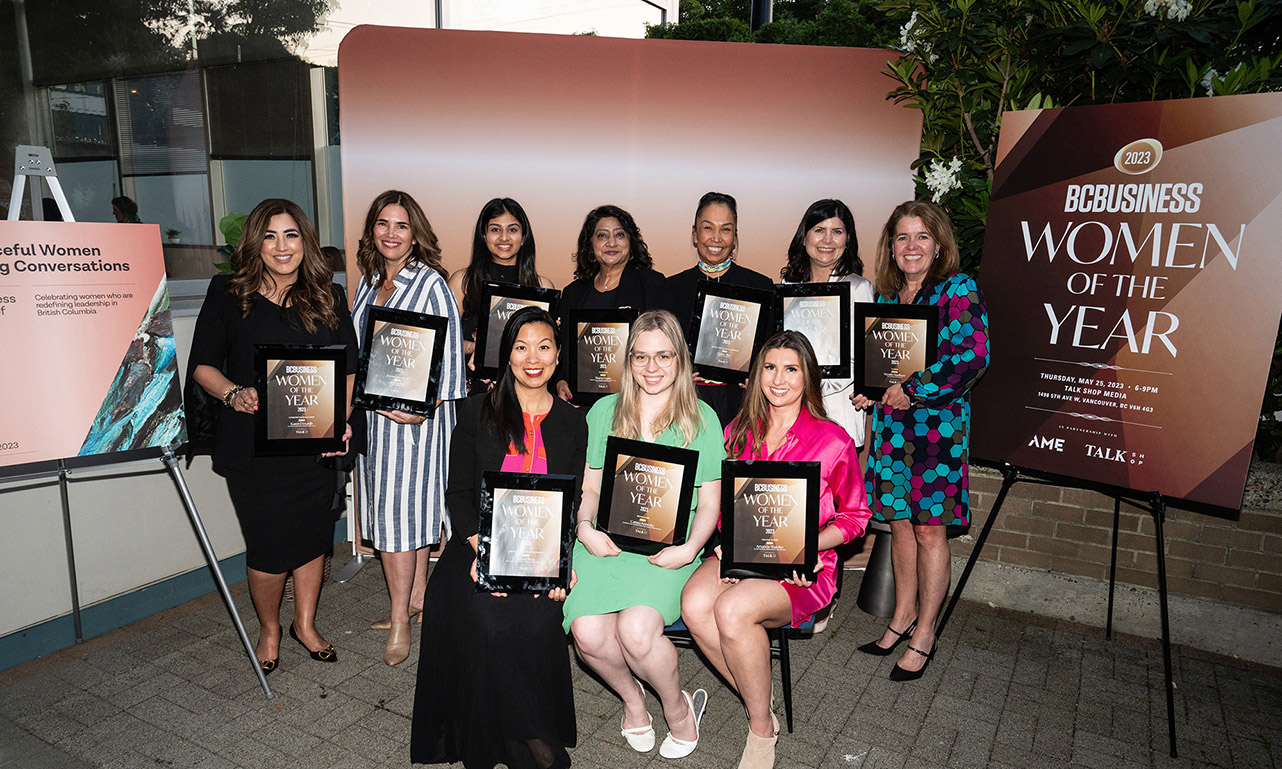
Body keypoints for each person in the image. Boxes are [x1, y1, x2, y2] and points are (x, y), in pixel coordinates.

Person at [680, 331, 871, 769]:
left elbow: (855, 518)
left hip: (805, 566)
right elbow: (728, 507)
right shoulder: (737, 433)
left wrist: (802, 548)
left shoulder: (832, 439)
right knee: (693, 604)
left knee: (731, 611)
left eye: (791, 369)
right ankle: (759, 695)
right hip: (742, 552)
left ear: (808, 377)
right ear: (756, 374)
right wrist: (732, 552)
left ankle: (761, 728)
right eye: (769, 368)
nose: (778, 379)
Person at [411, 307, 586, 769]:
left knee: (528, 619)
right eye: (521, 347)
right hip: (474, 546)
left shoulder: (572, 423)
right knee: (488, 614)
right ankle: (535, 747)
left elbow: (571, 504)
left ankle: (517, 739)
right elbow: (459, 493)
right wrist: (480, 551)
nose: (533, 358)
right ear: (506, 356)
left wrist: (560, 564)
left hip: (540, 556)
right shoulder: (476, 411)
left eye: (544, 346)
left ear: (558, 354)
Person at [189, 198, 356, 674]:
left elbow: (346, 371)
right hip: (254, 449)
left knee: (311, 537)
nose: (282, 247)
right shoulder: (227, 292)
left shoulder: (328, 295)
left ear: (305, 241)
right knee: (267, 546)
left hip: (313, 444)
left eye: (291, 236)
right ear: (255, 243)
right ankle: (269, 628)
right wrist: (233, 394)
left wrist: (341, 421)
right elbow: (202, 364)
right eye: (270, 236)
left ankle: (305, 624)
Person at [562, 309, 724, 759]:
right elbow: (591, 486)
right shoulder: (603, 410)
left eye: (664, 356)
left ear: (680, 359)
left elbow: (710, 502)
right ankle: (634, 703)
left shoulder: (702, 418)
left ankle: (677, 708)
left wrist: (689, 548)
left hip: (670, 550)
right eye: (641, 357)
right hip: (604, 542)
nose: (652, 368)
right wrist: (584, 528)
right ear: (628, 359)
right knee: (588, 634)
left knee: (636, 631)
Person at [852, 200, 989, 681]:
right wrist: (869, 391)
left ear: (938, 245)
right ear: (891, 245)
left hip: (937, 432)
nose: (912, 247)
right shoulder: (887, 300)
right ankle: (901, 616)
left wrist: (911, 390)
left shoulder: (957, 290)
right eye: (902, 237)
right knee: (901, 527)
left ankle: (926, 631)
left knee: (930, 530)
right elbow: (879, 365)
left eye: (922, 237)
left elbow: (971, 358)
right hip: (892, 430)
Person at [351, 190, 466, 666]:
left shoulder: (431, 284)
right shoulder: (369, 281)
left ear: (415, 233)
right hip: (376, 421)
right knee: (404, 513)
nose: (391, 234)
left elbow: (452, 352)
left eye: (401, 225)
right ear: (372, 231)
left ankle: (399, 619)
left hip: (416, 422)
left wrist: (425, 407)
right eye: (383, 224)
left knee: (400, 518)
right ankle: (416, 599)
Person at [663, 192, 774, 427]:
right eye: (708, 228)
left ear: (735, 236)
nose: (716, 238)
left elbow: (771, 351)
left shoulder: (759, 287)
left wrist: (756, 374)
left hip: (743, 407)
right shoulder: (671, 288)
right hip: (686, 405)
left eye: (725, 229)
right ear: (695, 234)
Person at [779, 199, 876, 448]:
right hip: (790, 412)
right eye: (819, 230)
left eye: (837, 232)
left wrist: (807, 383)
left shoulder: (858, 288)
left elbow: (862, 360)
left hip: (837, 413)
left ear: (848, 239)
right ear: (804, 237)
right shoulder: (788, 288)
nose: (827, 240)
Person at [554, 205, 666, 402]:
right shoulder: (573, 293)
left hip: (635, 402)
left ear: (631, 241)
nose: (611, 242)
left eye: (620, 234)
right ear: (590, 244)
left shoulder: (651, 284)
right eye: (602, 236)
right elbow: (563, 350)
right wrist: (560, 380)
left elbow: (668, 344)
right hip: (582, 407)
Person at [447, 198, 554, 384]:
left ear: (523, 236)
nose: (504, 237)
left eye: (512, 230)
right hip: (472, 388)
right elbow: (442, 339)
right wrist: (475, 348)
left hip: (524, 390)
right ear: (484, 235)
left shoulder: (542, 286)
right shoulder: (462, 281)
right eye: (495, 229)